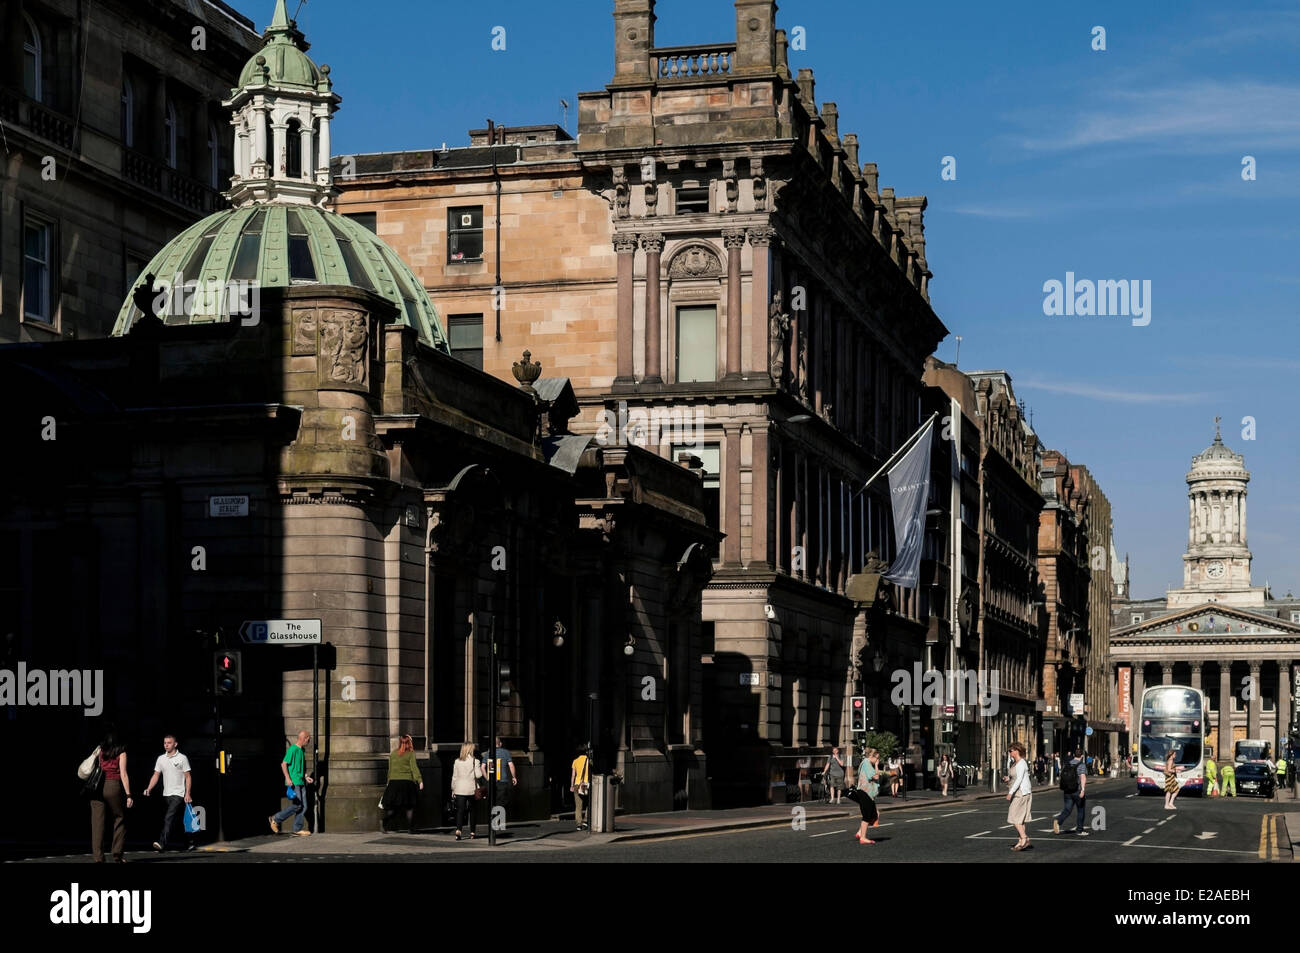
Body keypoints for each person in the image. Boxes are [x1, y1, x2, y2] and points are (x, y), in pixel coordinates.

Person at [90, 726, 133, 863]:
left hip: (96, 787)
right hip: (112, 784)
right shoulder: (122, 752)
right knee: (119, 817)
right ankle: (117, 855)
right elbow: (124, 774)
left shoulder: (100, 750)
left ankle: (98, 858)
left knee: (97, 823)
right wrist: (128, 795)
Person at [143, 734, 193, 852]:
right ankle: (189, 843)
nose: (166, 745)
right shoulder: (161, 758)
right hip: (166, 795)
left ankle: (162, 843)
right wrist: (149, 788)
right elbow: (156, 775)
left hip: (178, 794)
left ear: (175, 744)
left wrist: (187, 793)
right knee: (178, 820)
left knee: (168, 818)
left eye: (169, 743)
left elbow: (188, 777)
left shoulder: (182, 758)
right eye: (165, 743)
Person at [270, 730, 314, 836]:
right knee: (298, 805)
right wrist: (288, 779)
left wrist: (306, 776)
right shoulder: (292, 749)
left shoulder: (301, 750)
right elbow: (283, 764)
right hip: (293, 782)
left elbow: (300, 768)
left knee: (304, 807)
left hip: (301, 781)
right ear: (305, 738)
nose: (309, 742)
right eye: (308, 739)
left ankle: (297, 829)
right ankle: (275, 818)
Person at [381, 733, 423, 833]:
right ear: (410, 743)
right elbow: (414, 768)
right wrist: (420, 780)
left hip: (393, 783)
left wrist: (388, 782)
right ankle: (411, 829)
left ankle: (384, 821)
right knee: (410, 806)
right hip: (407, 782)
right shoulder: (410, 754)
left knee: (393, 807)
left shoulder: (393, 753)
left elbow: (390, 769)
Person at [846, 748, 882, 844]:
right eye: (876, 758)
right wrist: (876, 766)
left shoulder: (865, 763)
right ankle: (863, 837)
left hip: (866, 793)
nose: (877, 760)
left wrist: (875, 765)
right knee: (867, 815)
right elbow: (875, 776)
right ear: (871, 756)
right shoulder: (866, 763)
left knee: (874, 814)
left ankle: (860, 833)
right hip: (865, 792)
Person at [450, 742, 484, 840]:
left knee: (460, 811)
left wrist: (453, 789)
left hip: (459, 789)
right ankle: (472, 832)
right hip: (471, 789)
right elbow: (478, 775)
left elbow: (454, 777)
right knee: (472, 811)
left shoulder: (457, 761)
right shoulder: (475, 761)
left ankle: (458, 830)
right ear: (470, 749)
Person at [1004, 741, 1033, 851]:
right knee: (1020, 819)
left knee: (1014, 816)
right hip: (1018, 792)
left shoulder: (1021, 763)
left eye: (1010, 751)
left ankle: (1025, 838)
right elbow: (1016, 777)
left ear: (1017, 751)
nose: (1009, 752)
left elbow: (1020, 779)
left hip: (1021, 793)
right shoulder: (1015, 763)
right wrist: (1008, 778)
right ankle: (1021, 841)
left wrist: (1010, 792)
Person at [1052, 748, 1087, 836]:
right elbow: (1083, 777)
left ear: (1074, 755)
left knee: (1067, 809)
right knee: (1080, 810)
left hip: (1067, 790)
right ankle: (1079, 830)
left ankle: (1059, 821)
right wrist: (1082, 789)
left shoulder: (1068, 763)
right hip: (1077, 790)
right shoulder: (1081, 765)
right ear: (1082, 756)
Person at [483, 736, 517, 807]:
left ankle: (493, 816)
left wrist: (487, 778)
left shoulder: (487, 753)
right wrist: (514, 777)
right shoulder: (506, 752)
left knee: (492, 802)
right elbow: (511, 765)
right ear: (500, 744)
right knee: (501, 803)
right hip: (502, 781)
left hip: (491, 782)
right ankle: (499, 817)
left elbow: (482, 767)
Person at [571, 745, 591, 830]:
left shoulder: (575, 761)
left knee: (578, 805)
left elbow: (573, 775)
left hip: (577, 784)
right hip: (587, 784)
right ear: (586, 752)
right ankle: (586, 820)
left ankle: (579, 824)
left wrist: (571, 785)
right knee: (589, 803)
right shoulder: (589, 761)